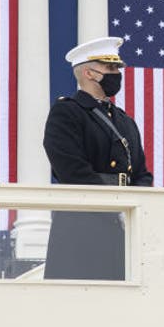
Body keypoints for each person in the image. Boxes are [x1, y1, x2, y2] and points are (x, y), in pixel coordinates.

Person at [41, 36, 153, 280]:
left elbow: (142, 173)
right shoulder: (67, 112)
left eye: (117, 68)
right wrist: (114, 205)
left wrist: (134, 206)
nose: (117, 73)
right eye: (110, 68)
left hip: (124, 226)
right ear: (90, 73)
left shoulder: (125, 121)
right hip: (83, 226)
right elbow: (73, 172)